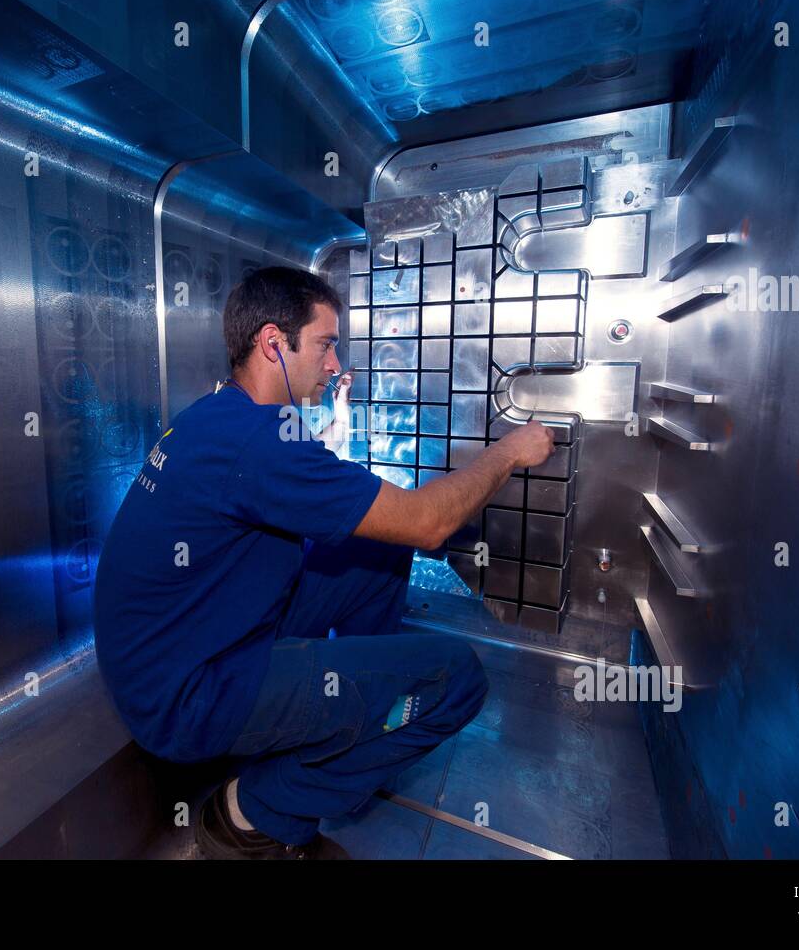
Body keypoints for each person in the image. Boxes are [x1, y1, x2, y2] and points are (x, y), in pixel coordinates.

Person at [92, 266, 555, 859]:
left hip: (181, 649)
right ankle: (254, 810)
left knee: (377, 549)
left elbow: (355, 514)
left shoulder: (215, 415)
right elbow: (430, 524)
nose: (335, 364)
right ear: (271, 343)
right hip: (188, 697)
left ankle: (350, 718)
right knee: (456, 678)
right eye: (325, 344)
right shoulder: (260, 442)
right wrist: (509, 452)